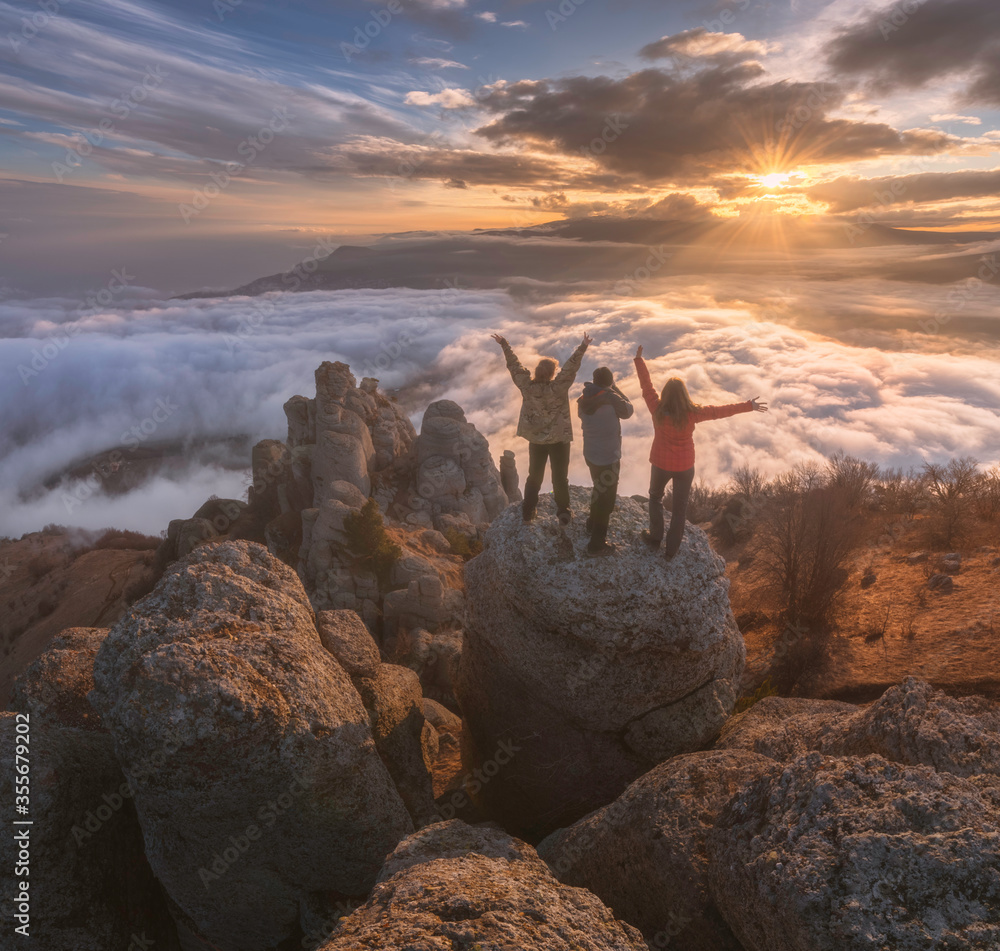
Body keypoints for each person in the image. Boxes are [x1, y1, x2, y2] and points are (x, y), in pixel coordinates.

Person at [634, 345, 767, 560]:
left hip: (660, 463)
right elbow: (721, 411)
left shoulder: (656, 409)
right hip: (684, 467)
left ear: (665, 395)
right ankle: (671, 550)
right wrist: (748, 406)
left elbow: (646, 386)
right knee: (679, 511)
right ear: (685, 395)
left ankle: (655, 537)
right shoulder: (693, 414)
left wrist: (639, 361)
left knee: (655, 498)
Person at [491, 331, 592, 524]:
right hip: (560, 441)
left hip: (536, 441)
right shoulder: (558, 388)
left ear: (537, 372)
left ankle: (528, 512)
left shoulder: (527, 388)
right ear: (553, 373)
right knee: (560, 479)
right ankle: (563, 513)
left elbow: (515, 367)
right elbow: (570, 369)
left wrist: (504, 344)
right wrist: (583, 346)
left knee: (534, 477)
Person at [577, 366, 633, 555]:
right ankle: (596, 544)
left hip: (590, 454)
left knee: (598, 487)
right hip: (608, 457)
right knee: (606, 501)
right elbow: (628, 410)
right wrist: (615, 389)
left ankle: (591, 523)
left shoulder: (583, 399)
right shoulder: (612, 398)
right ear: (610, 382)